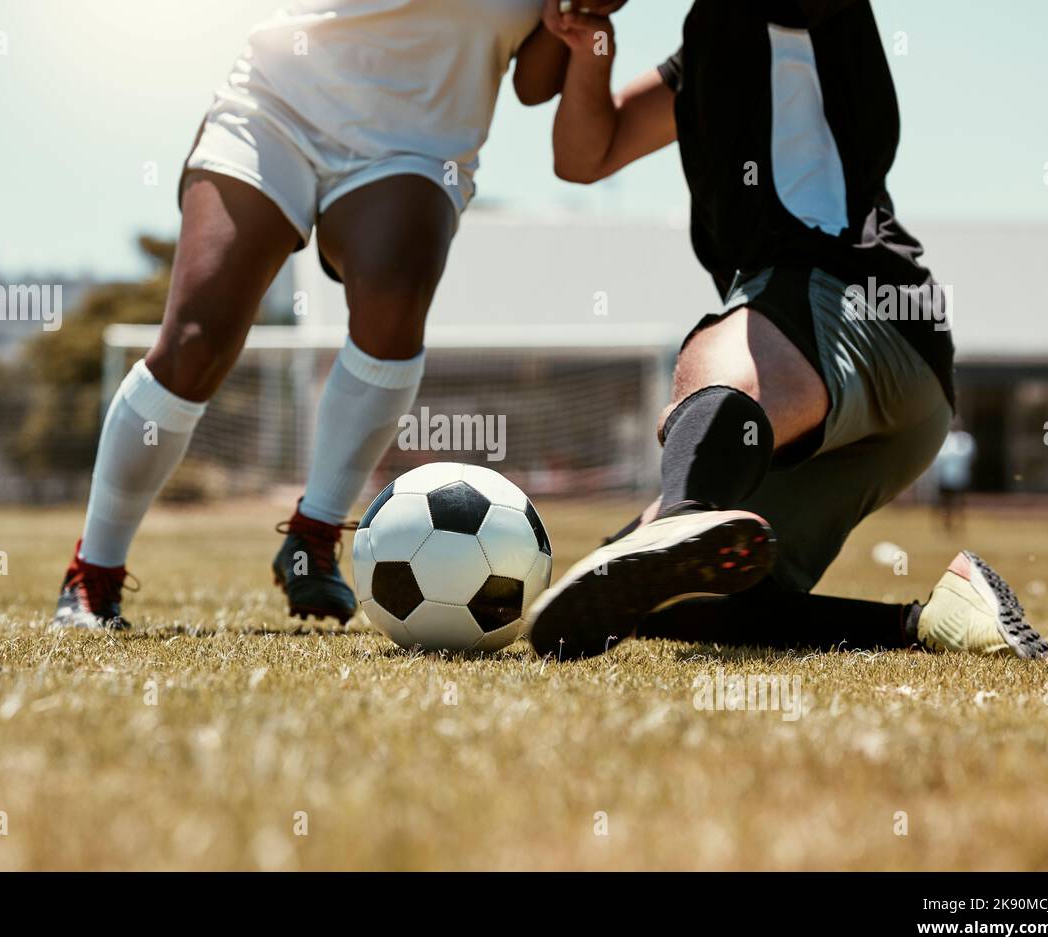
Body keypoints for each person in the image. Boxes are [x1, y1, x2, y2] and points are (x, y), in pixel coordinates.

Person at [53, 1, 626, 629]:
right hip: (276, 110)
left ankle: (314, 535)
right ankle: (93, 575)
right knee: (197, 341)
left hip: (416, 143)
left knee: (394, 301)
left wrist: (581, 15)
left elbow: (531, 83)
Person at [526, 0, 1048, 660]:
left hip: (853, 304)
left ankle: (684, 515)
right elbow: (586, 155)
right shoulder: (706, 51)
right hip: (878, 392)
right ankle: (933, 620)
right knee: (664, 597)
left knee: (713, 362)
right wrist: (589, 43)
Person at [934, 423, 977, 531]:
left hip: (960, 475)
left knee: (959, 502)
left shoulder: (965, 438)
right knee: (944, 502)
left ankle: (959, 525)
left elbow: (970, 454)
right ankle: (946, 524)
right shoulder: (944, 438)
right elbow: (939, 455)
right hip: (945, 475)